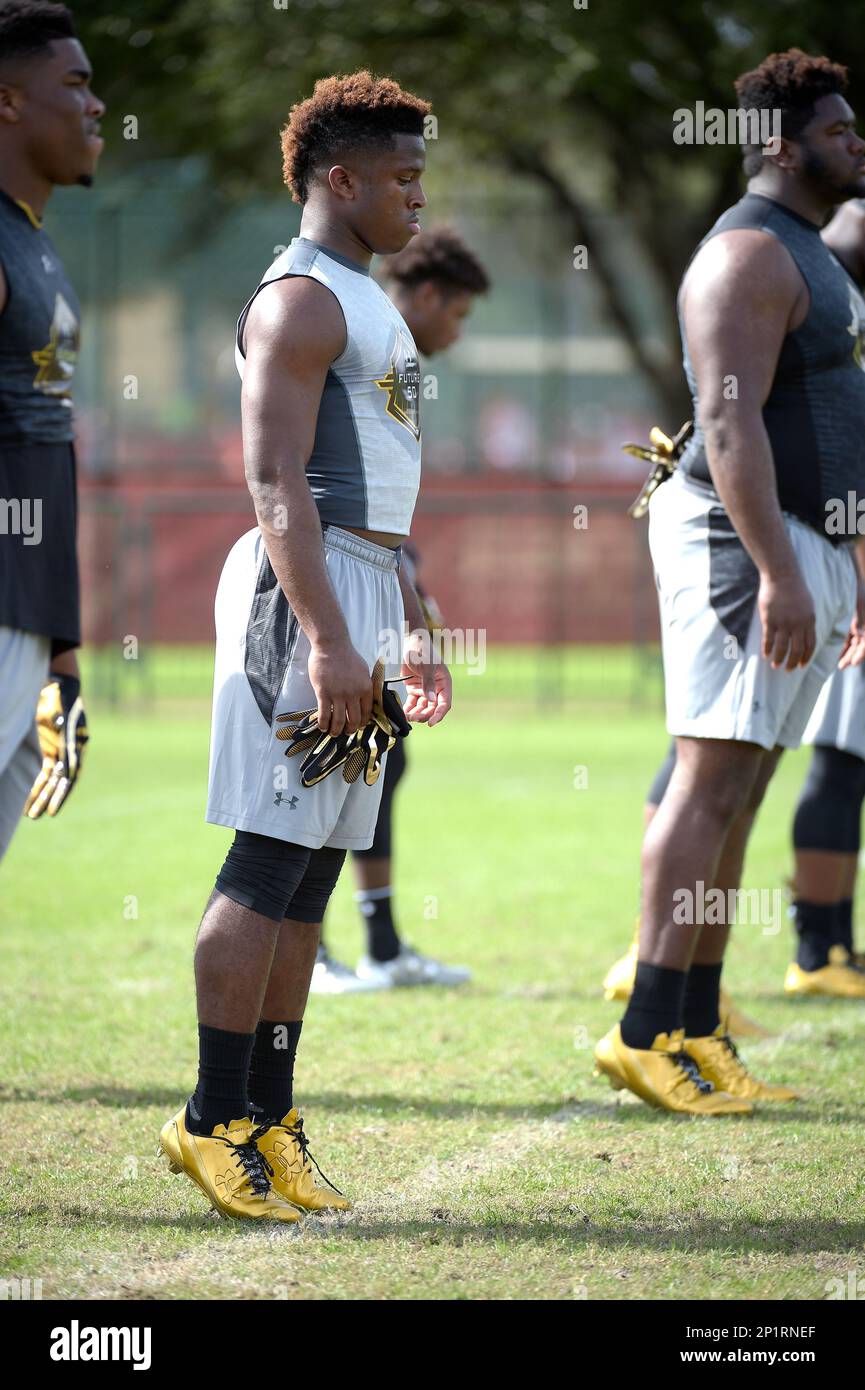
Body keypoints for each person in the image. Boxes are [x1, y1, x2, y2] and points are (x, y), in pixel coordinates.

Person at [158, 71, 452, 1222]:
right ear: (341, 180)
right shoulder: (299, 300)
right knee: (267, 864)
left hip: (366, 586)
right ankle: (207, 1116)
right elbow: (275, 478)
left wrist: (407, 622)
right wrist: (330, 636)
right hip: (308, 597)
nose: (419, 199)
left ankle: (269, 1118)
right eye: (402, 178)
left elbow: (381, 484)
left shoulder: (365, 300)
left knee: (315, 878)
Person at [594, 49, 865, 1114]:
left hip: (802, 543)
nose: (857, 143)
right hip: (735, 540)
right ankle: (645, 1027)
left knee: (742, 785)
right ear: (777, 144)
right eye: (839, 131)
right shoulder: (747, 254)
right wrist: (774, 570)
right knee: (708, 777)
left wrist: (841, 555)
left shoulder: (811, 250)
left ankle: (697, 1024)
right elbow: (726, 421)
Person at [311, 226, 490, 993]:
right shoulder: (354, 330)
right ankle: (312, 950)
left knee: (384, 750)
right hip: (331, 578)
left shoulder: (398, 356)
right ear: (427, 296)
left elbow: (380, 483)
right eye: (460, 312)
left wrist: (406, 587)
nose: (459, 329)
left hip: (375, 575)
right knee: (323, 758)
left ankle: (382, 944)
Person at [0, 0, 102, 865]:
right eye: (74, 84)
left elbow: (44, 460)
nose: (96, 106)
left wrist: (58, 654)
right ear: (8, 101)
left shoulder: (33, 241)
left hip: (23, 612)